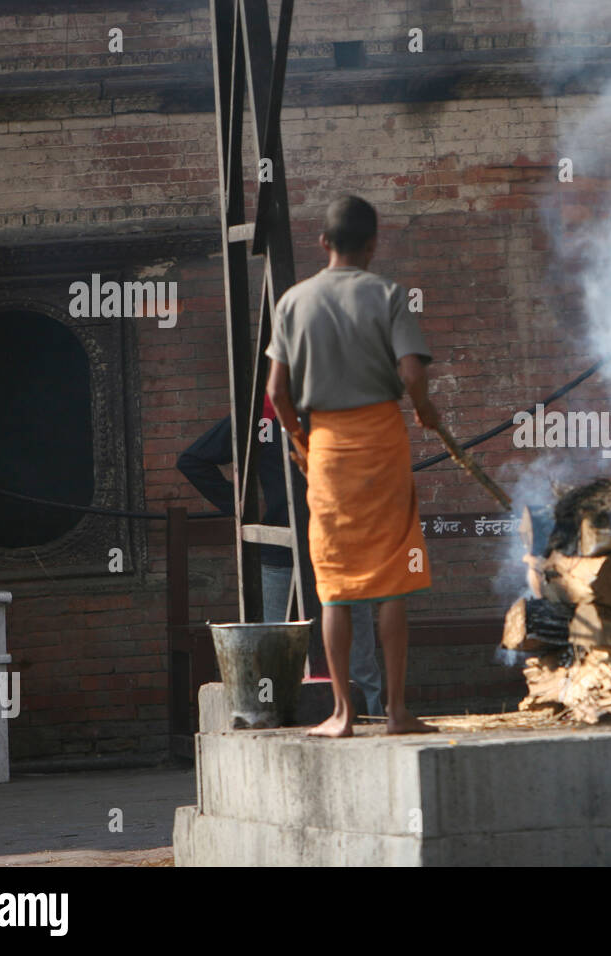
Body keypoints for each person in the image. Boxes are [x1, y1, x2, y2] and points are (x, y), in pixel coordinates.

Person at [265, 194, 438, 736]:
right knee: (391, 580)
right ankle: (396, 712)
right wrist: (426, 412)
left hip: (330, 451)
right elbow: (412, 374)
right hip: (383, 444)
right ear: (372, 244)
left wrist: (303, 440)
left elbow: (277, 392)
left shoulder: (293, 302)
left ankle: (341, 713)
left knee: (335, 582)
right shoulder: (387, 294)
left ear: (323, 244)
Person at [175, 397, 385, 716]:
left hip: (331, 548)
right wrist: (243, 510)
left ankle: (358, 721)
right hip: (298, 550)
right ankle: (290, 722)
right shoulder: (269, 414)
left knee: (346, 661)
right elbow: (192, 461)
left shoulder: (328, 406)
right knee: (289, 656)